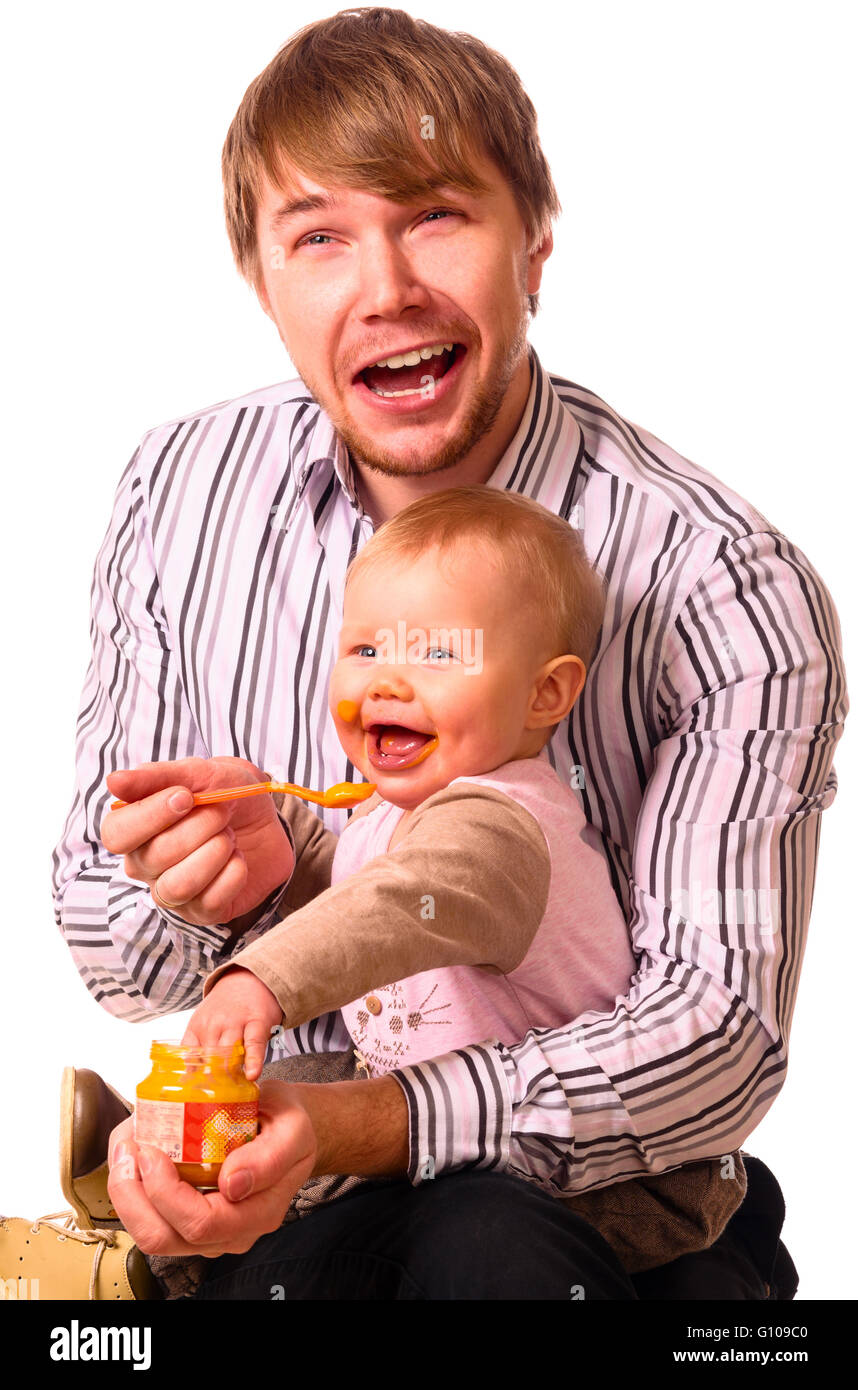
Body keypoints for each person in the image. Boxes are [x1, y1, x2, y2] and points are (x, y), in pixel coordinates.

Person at [44, 7, 845, 1299]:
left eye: (433, 216)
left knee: (486, 1248)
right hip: (292, 1202)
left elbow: (715, 1040)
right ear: (260, 281)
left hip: (600, 1209)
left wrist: (367, 1102)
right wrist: (219, 890)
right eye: (318, 237)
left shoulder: (717, 580)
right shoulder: (177, 492)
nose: (386, 291)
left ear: (535, 245)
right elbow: (107, 944)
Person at [166, 485, 746, 1294]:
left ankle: (163, 1260)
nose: (388, 682)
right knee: (288, 1103)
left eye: (438, 654)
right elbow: (360, 888)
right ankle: (146, 1173)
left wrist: (263, 980)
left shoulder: (501, 827)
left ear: (546, 693)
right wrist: (284, 860)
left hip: (594, 1179)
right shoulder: (393, 810)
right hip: (438, 1119)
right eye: (366, 649)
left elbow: (402, 905)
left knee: (329, 1171)